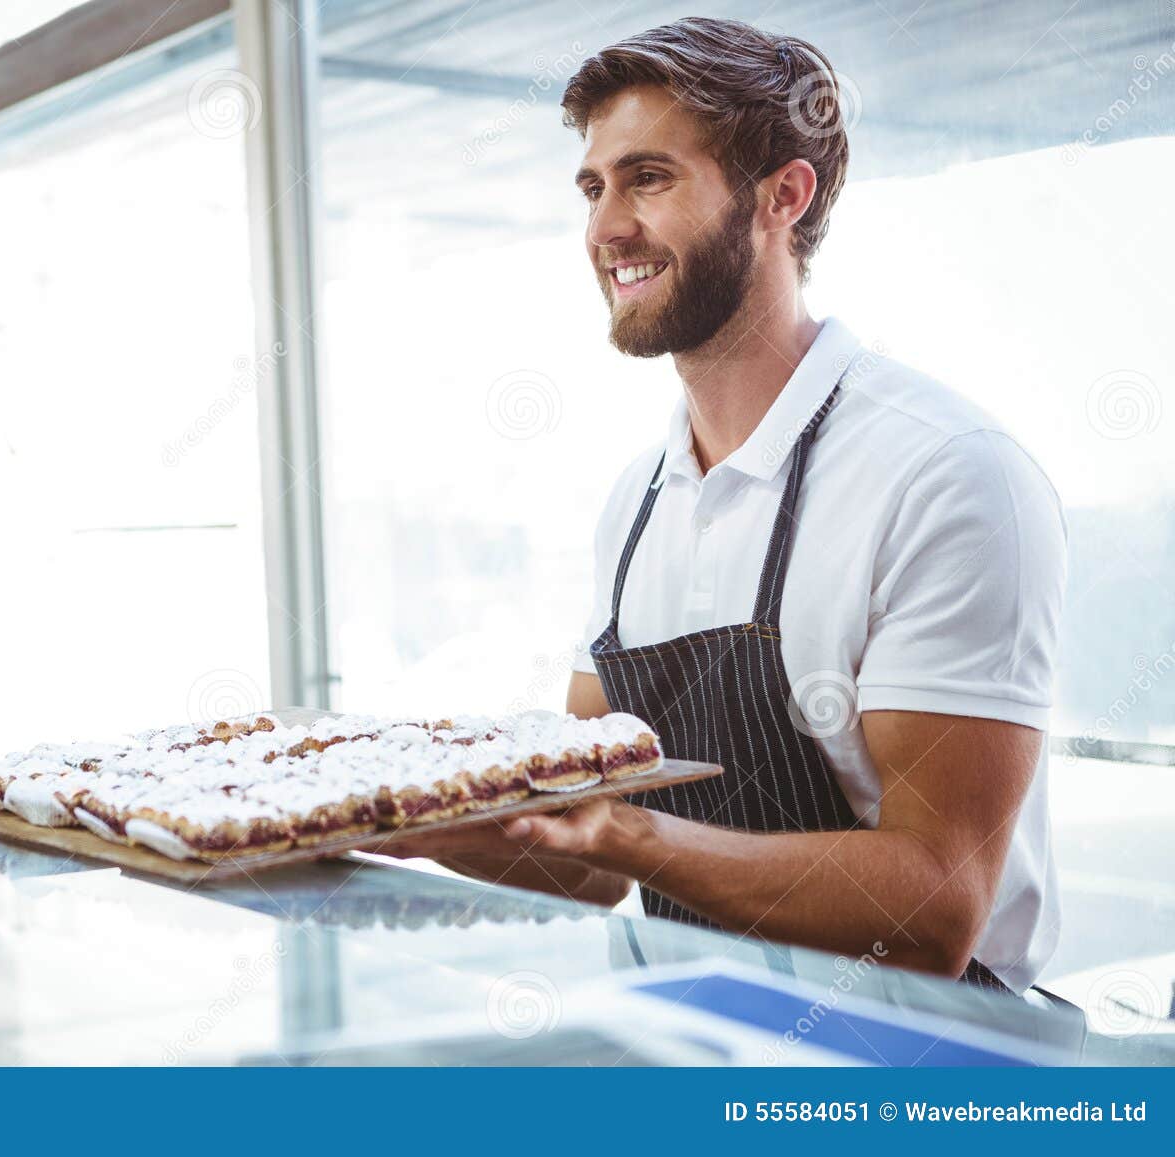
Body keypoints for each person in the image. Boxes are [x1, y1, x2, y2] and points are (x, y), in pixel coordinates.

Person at [393, 17, 1066, 994]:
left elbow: (933, 909)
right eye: (593, 187)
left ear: (781, 196)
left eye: (648, 178)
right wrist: (399, 815)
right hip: (706, 1026)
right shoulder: (636, 501)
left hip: (934, 1058)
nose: (604, 228)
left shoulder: (945, 473)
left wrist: (631, 829)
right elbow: (582, 859)